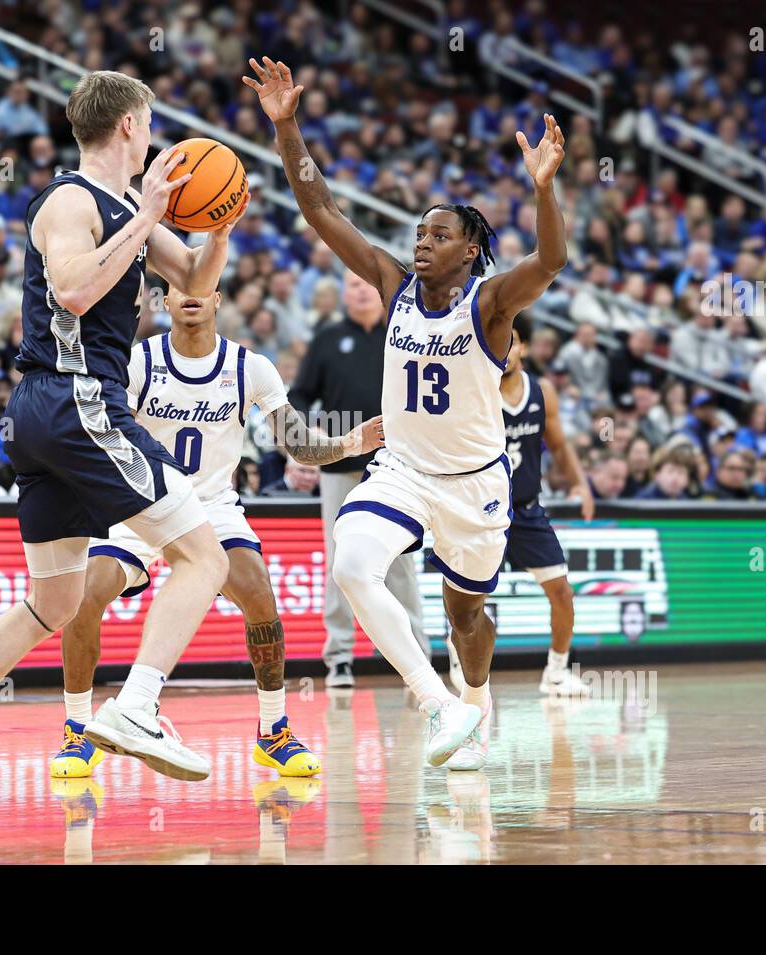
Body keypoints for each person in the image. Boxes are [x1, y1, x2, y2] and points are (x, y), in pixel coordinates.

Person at [0, 70, 244, 798]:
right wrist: (149, 219)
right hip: (74, 396)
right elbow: (75, 291)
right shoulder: (71, 199)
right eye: (149, 122)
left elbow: (196, 289)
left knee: (51, 602)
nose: (153, 135)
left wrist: (218, 224)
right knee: (204, 557)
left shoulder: (126, 206)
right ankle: (138, 704)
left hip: (46, 416)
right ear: (128, 125)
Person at [249, 55, 568, 769]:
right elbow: (320, 209)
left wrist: (544, 189)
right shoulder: (393, 284)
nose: (422, 240)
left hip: (476, 484)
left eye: (439, 234)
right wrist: (288, 129)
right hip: (402, 470)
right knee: (352, 561)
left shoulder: (489, 306)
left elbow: (551, 259)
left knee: (466, 618)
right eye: (420, 231)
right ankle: (437, 702)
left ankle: (473, 701)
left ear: (471, 251)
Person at [52, 287, 382, 780]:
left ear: (218, 299)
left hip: (210, 506)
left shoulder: (252, 368)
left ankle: (274, 731)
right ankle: (78, 729)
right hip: (141, 500)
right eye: (181, 288)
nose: (191, 296)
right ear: (164, 301)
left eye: (201, 288)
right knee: (86, 593)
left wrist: (347, 443)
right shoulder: (137, 361)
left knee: (259, 595)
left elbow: (297, 445)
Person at [287, 267, 428, 687]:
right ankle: (340, 657)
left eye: (368, 283)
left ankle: (416, 655)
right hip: (339, 467)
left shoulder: (403, 336)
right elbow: (297, 395)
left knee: (401, 563)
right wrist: (307, 444)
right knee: (340, 562)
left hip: (396, 468)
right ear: (342, 294)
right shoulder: (328, 340)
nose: (362, 292)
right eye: (352, 285)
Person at [497, 312, 593, 702]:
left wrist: (580, 484)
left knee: (562, 592)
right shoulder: (475, 390)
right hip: (479, 510)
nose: (504, 348)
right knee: (467, 601)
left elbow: (559, 444)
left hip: (525, 508)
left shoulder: (542, 392)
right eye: (497, 340)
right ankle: (462, 675)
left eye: (512, 340)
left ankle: (556, 673)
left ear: (523, 346)